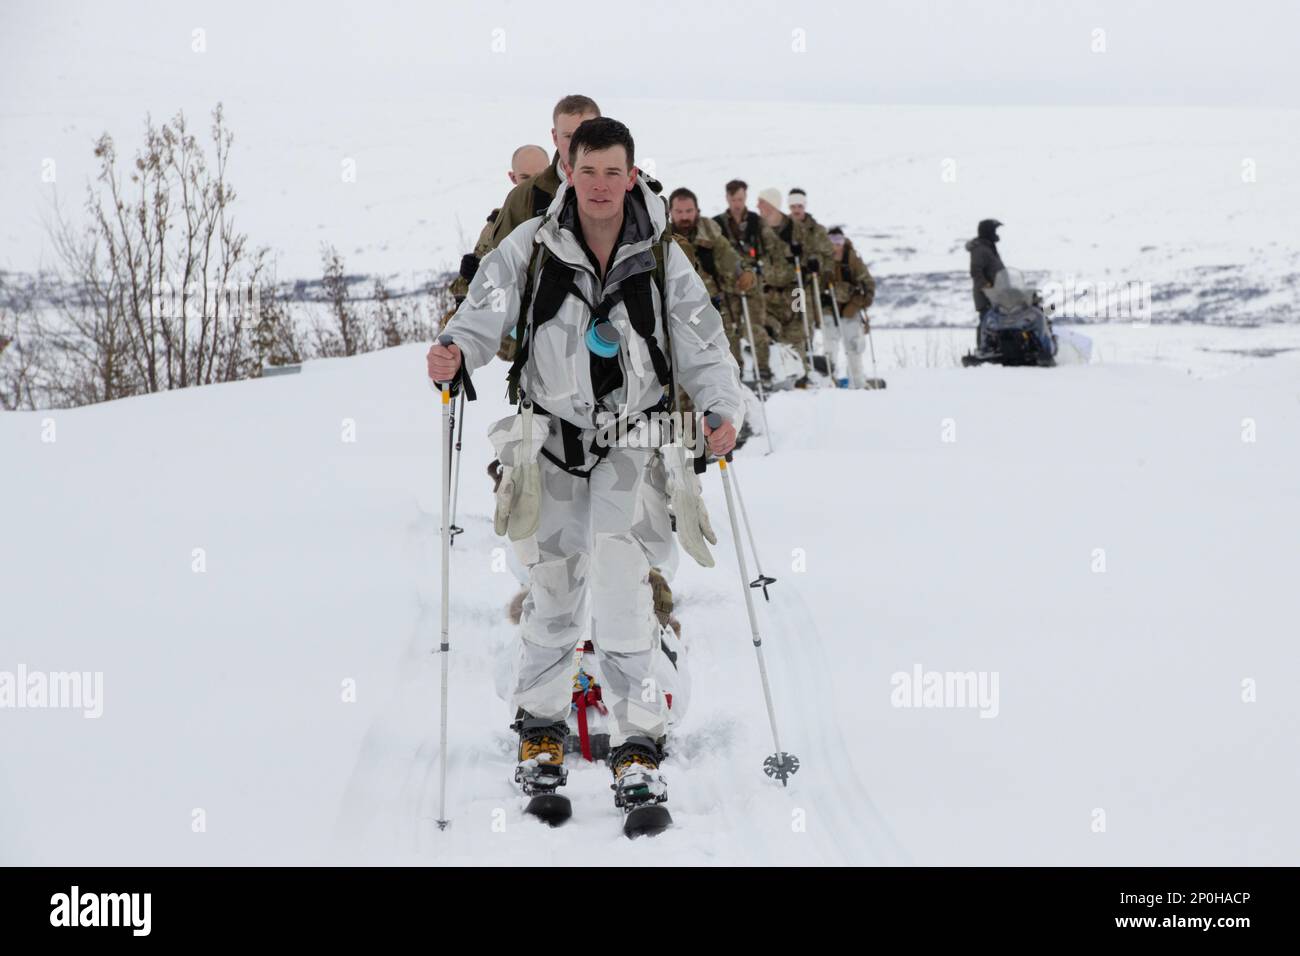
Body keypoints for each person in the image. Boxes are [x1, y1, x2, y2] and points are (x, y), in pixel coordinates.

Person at [426, 117, 742, 816]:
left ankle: (637, 745)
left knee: (625, 594)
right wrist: (454, 349)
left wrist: (723, 409)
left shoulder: (661, 254)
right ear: (569, 172)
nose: (599, 186)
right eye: (587, 170)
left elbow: (702, 339)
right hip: (550, 444)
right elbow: (482, 308)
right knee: (554, 591)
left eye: (612, 172)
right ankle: (539, 731)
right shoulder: (532, 242)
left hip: (633, 444)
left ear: (632, 176)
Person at [667, 187, 765, 384]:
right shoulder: (663, 239)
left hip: (713, 308)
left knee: (724, 363)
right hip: (677, 314)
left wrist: (745, 273)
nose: (684, 217)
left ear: (697, 210)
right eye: (679, 212)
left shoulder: (711, 235)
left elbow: (731, 259)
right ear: (670, 212)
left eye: (689, 211)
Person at [824, 226, 876, 389]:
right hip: (828, 305)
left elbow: (868, 282)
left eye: (839, 240)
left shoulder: (853, 259)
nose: (836, 245)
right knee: (830, 344)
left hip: (850, 306)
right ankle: (829, 380)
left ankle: (857, 380)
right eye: (832, 241)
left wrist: (864, 298)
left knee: (854, 345)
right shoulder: (824, 259)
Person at [966, 218, 1004, 347]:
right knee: (987, 320)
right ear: (989, 232)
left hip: (997, 293)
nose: (996, 234)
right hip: (986, 294)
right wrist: (986, 285)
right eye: (994, 231)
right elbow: (976, 271)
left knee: (1001, 321)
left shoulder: (989, 248)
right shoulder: (980, 249)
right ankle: (982, 350)